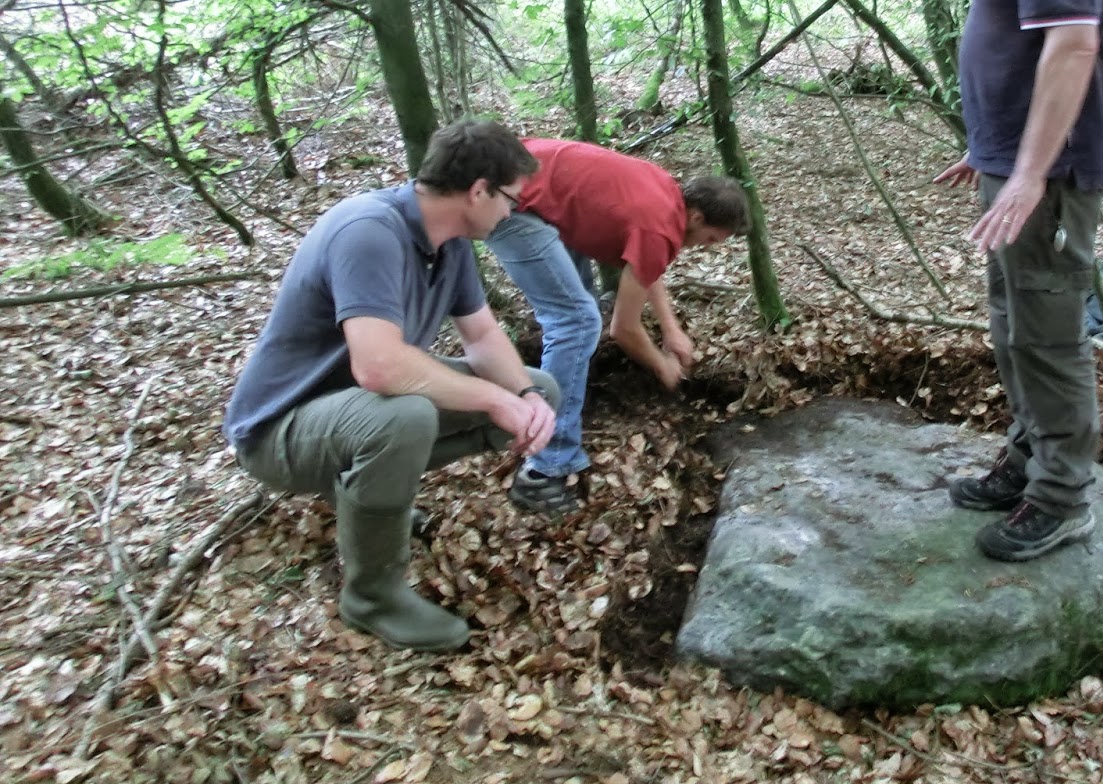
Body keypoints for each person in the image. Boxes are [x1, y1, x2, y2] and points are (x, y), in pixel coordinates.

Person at [223, 120, 560, 651]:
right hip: (279, 430)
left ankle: (365, 491)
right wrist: (493, 399)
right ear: (479, 191)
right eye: (511, 199)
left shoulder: (450, 244)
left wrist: (525, 397)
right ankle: (372, 595)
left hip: (351, 413)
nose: (512, 212)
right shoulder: (369, 231)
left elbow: (481, 336)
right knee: (404, 416)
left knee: (540, 387)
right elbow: (379, 368)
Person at [929, 0, 1103, 562]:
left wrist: (1032, 170)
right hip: (1012, 166)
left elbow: (1073, 45)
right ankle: (1029, 456)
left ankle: (1063, 497)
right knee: (1013, 326)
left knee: (1047, 334)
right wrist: (991, 151)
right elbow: (1016, 44)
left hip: (1052, 175)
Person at [486, 138, 750, 514]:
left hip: (526, 184)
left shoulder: (667, 193)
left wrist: (671, 329)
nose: (707, 247)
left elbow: (647, 264)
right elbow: (623, 330)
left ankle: (564, 398)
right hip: (505, 198)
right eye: (710, 239)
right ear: (696, 218)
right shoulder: (659, 227)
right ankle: (545, 467)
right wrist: (661, 365)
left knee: (581, 307)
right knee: (577, 322)